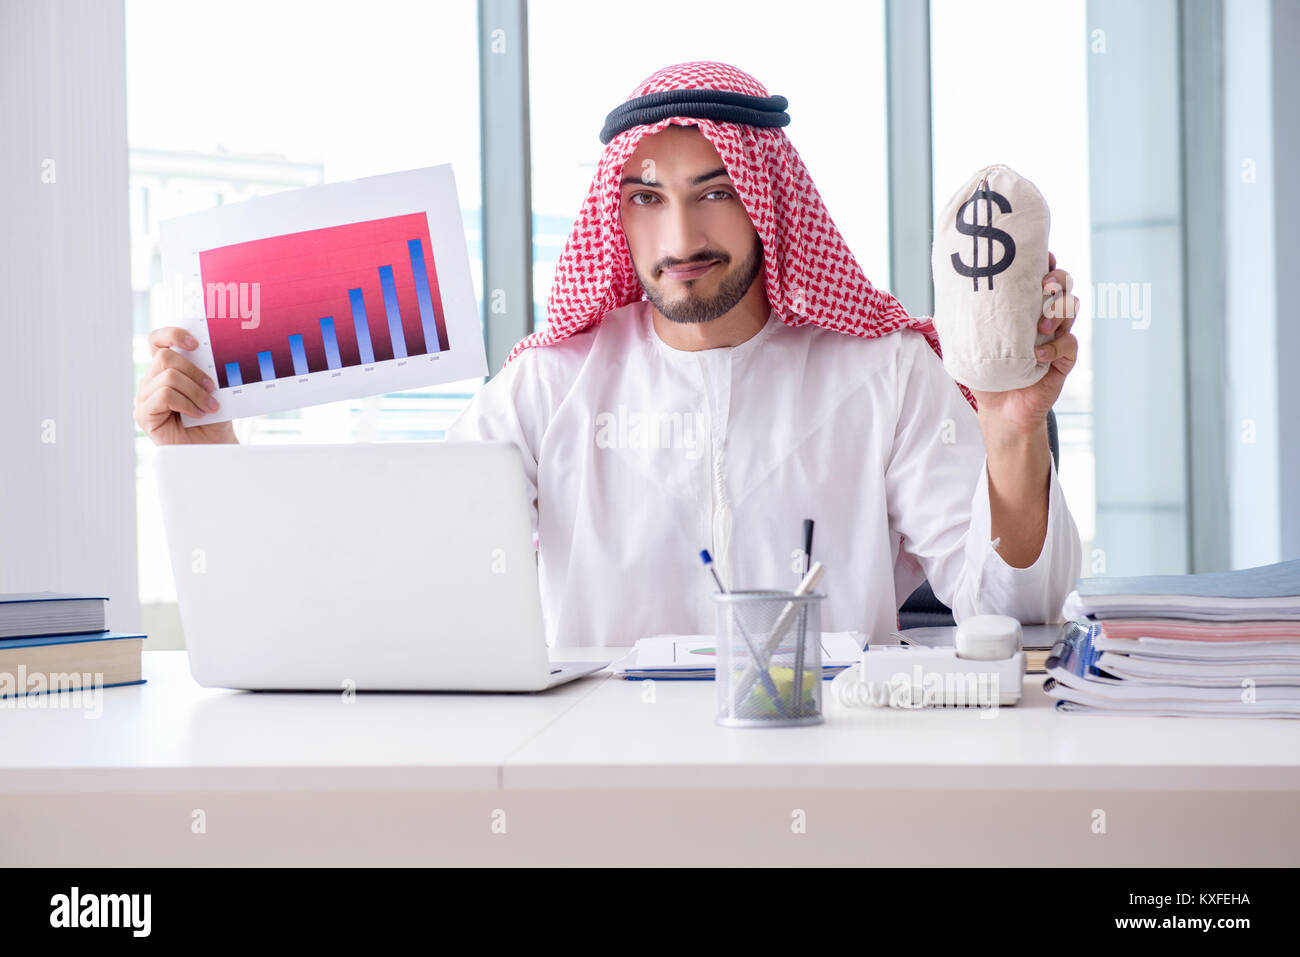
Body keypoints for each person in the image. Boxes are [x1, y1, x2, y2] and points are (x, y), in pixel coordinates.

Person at [134, 61, 1083, 649]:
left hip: (823, 779)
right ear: (613, 216)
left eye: (713, 190)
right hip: (583, 792)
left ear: (767, 196)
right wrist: (214, 462)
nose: (680, 233)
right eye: (645, 197)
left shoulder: (882, 373)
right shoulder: (552, 385)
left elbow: (1018, 612)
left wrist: (1010, 435)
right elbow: (389, 569)